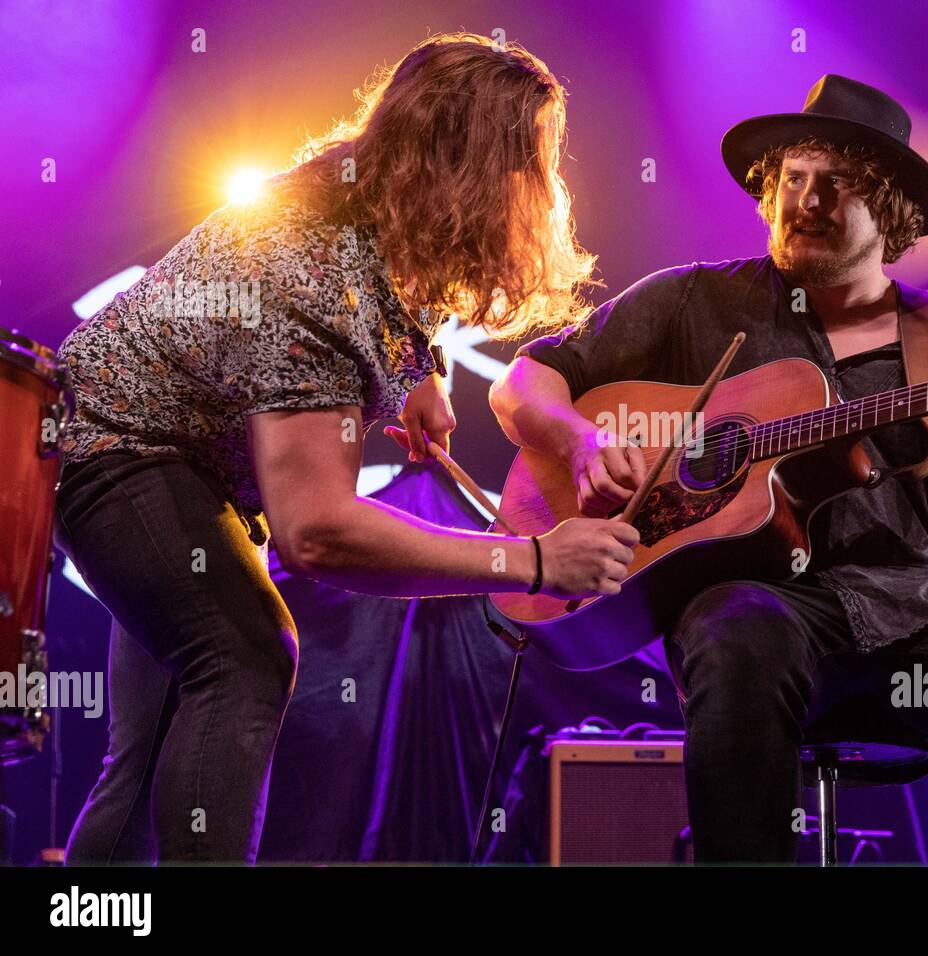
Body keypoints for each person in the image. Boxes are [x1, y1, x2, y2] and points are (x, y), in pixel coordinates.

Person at [489, 74, 928, 862]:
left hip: (918, 628)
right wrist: (581, 441)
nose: (803, 200)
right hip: (763, 620)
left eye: (835, 184)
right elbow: (521, 385)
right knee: (738, 630)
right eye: (790, 179)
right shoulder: (690, 301)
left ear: (893, 212)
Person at [55, 33, 638, 864]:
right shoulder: (307, 274)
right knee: (246, 657)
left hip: (170, 460)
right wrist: (533, 561)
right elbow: (317, 532)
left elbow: (399, 303)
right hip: (118, 451)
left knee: (152, 748)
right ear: (471, 173)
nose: (538, 190)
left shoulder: (373, 213)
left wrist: (420, 376)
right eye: (524, 165)